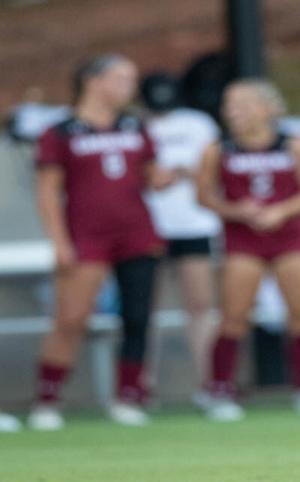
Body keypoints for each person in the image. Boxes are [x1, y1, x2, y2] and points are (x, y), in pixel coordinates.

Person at [28, 55, 177, 431]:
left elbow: (150, 177)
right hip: (86, 236)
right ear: (93, 81)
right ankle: (47, 399)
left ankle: (128, 396)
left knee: (138, 317)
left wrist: (168, 177)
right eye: (121, 78)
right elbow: (47, 193)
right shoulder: (61, 131)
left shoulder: (135, 125)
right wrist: (60, 242)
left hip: (138, 233)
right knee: (71, 317)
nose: (130, 85)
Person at [193, 79, 300, 421]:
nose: (233, 112)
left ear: (268, 108)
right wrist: (236, 210)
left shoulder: (294, 145)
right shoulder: (219, 148)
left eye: (243, 104)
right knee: (234, 315)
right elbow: (204, 195)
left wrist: (280, 211)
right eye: (230, 105)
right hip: (244, 240)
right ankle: (221, 389)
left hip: (291, 237)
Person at [140, 72, 223, 407]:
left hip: (193, 224)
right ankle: (140, 385)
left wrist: (180, 173)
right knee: (143, 308)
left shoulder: (197, 123)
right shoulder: (137, 126)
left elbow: (211, 167)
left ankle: (210, 383)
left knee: (200, 304)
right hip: (149, 226)